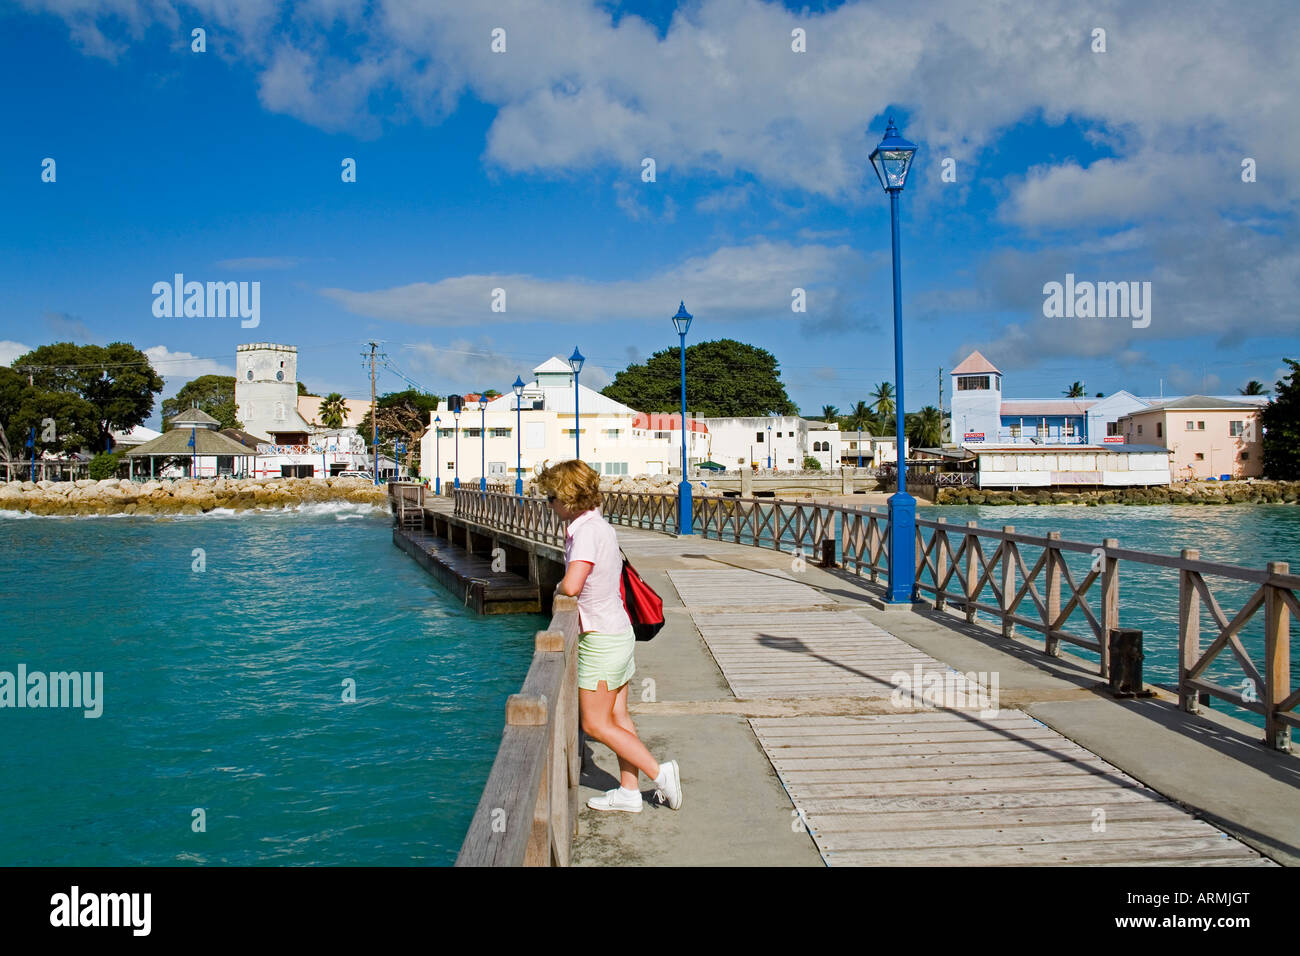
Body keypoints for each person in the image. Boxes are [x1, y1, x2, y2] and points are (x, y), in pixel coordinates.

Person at [536, 459, 682, 813]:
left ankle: (659, 773)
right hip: (618, 632)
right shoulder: (598, 525)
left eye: (552, 497)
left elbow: (572, 584)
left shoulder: (585, 532)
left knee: (595, 722)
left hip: (600, 638)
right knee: (618, 718)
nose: (549, 504)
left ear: (568, 498)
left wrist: (557, 588)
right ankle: (629, 793)